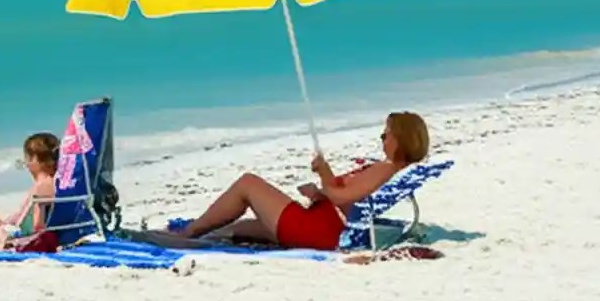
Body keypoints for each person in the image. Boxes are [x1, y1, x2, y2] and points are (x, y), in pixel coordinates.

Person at [170, 111, 431, 251]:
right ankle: (200, 235)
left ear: (400, 140)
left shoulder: (384, 168)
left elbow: (341, 196)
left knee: (248, 184)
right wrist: (319, 193)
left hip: (315, 231)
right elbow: (347, 201)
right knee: (239, 228)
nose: (382, 139)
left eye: (385, 135)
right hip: (321, 225)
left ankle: (189, 233)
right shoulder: (386, 169)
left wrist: (324, 173)